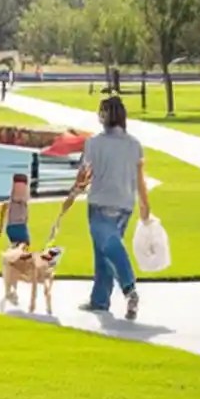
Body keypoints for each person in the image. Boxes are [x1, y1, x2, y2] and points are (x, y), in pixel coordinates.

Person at [77, 96, 151, 321]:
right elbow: (139, 179)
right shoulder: (134, 145)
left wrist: (76, 188)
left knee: (109, 247)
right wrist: (144, 203)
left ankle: (129, 288)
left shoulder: (93, 143)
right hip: (124, 205)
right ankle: (100, 300)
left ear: (103, 116)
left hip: (100, 203)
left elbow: (83, 174)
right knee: (103, 251)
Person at [0, 174, 33, 246]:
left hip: (13, 226)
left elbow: (3, 212)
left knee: (17, 247)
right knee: (23, 247)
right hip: (18, 226)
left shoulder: (13, 201)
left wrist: (0, 228)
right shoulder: (18, 201)